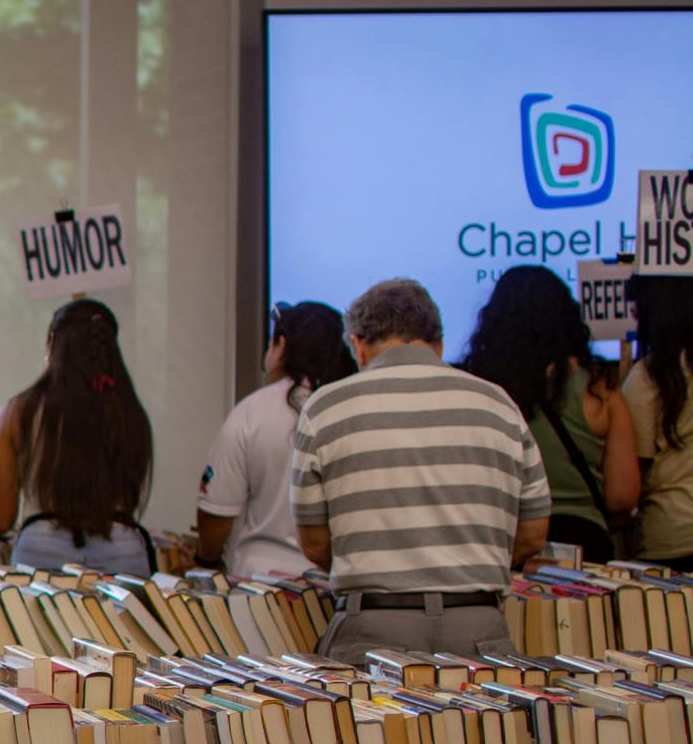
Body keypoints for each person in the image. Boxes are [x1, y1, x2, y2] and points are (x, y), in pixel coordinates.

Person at [292, 278, 550, 665]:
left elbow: (314, 544)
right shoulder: (499, 405)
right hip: (479, 626)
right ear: (439, 343)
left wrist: (379, 562)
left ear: (359, 345)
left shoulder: (325, 408)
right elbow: (533, 535)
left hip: (371, 627)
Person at [0, 299, 156, 576]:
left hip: (42, 549)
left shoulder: (18, 412)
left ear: (52, 342)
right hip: (124, 548)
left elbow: (0, 518)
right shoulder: (132, 413)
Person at [460, 264, 638, 562]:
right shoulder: (600, 391)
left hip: (508, 540)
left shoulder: (481, 391)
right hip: (586, 542)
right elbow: (622, 496)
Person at [195, 300, 356, 576]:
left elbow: (217, 511)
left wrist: (206, 560)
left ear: (281, 346)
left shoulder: (252, 411)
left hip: (257, 592)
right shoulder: (352, 410)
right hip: (335, 589)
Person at [625, 274, 693, 569]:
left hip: (669, 536)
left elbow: (632, 474)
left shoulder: (646, 377)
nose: (633, 313)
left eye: (637, 304)